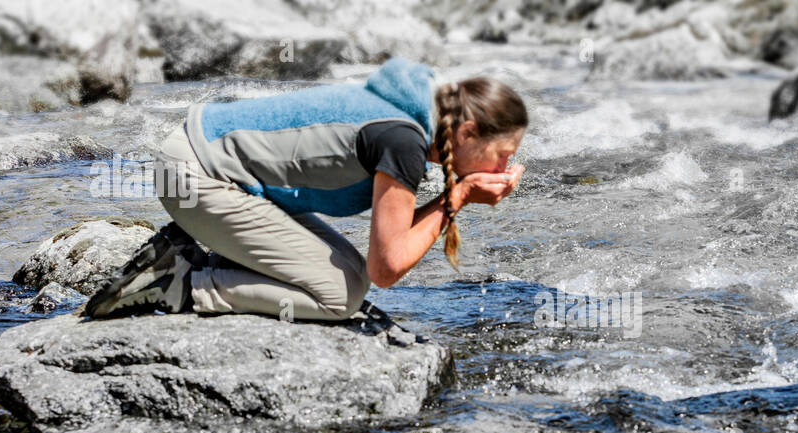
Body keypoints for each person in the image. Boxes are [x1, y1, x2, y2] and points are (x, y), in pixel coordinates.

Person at [84, 58, 528, 321]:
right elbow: (387, 269)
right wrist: (458, 198)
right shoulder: (402, 138)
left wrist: (455, 196)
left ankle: (191, 256)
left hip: (200, 161)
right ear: (468, 132)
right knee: (342, 295)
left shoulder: (413, 113)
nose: (506, 166)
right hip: (196, 176)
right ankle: (181, 283)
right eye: (504, 153)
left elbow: (387, 244)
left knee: (350, 275)